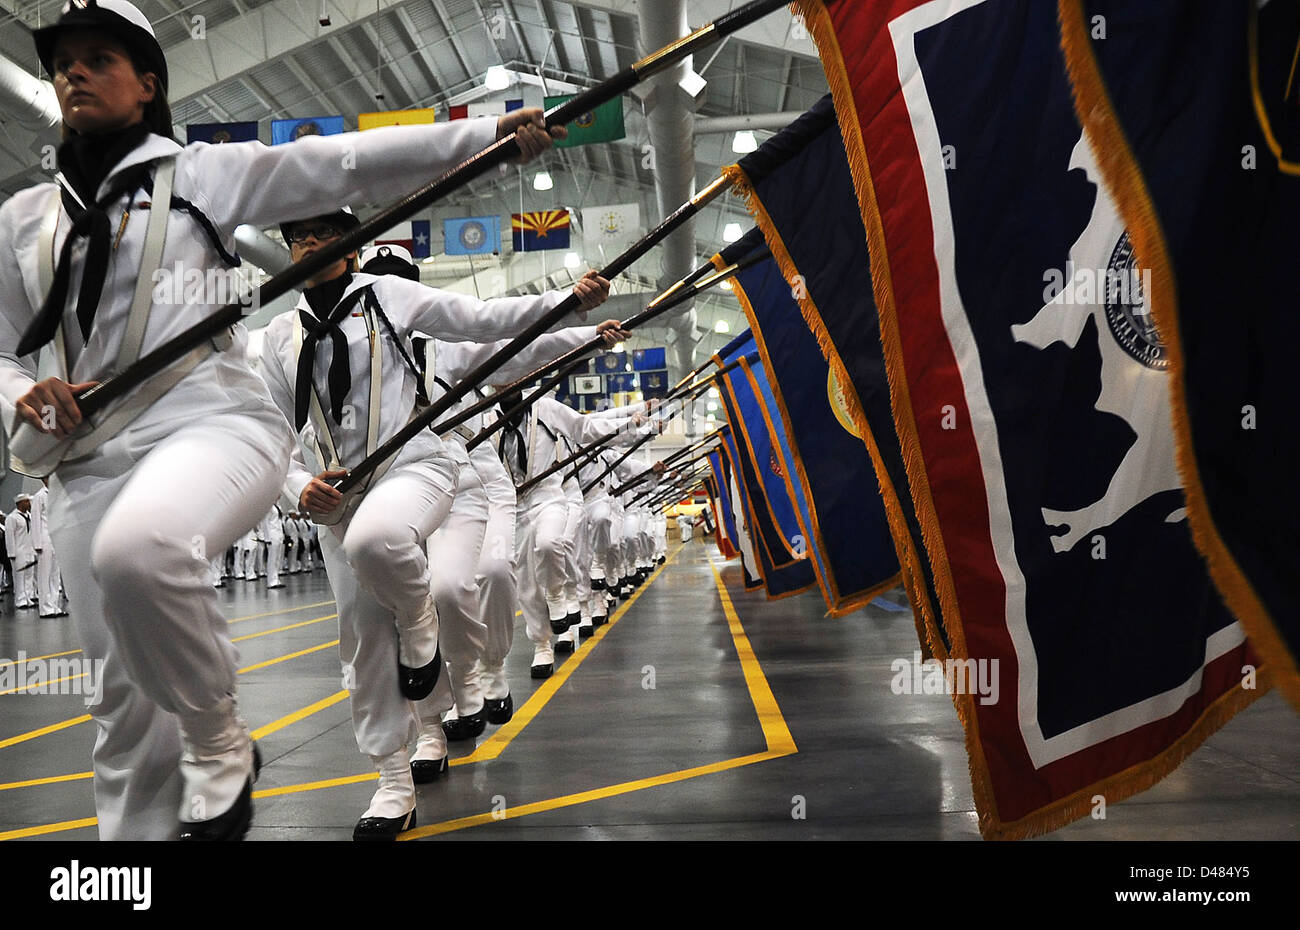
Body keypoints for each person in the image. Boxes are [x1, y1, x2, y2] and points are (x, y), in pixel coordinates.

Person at [0, 0, 565, 841]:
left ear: (148, 84)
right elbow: (5, 350)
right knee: (121, 698)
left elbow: (340, 161)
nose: (74, 72)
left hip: (216, 426)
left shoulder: (203, 177)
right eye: (63, 61)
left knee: (143, 550)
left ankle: (222, 736)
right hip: (96, 460)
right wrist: (18, 394)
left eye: (99, 58)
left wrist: (478, 137)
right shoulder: (21, 222)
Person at [256, 214, 609, 839]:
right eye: (297, 237)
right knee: (363, 639)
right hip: (334, 496)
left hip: (416, 469)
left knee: (420, 562)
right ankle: (393, 782)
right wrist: (293, 487)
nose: (308, 244)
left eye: (322, 233)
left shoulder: (392, 303)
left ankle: (443, 643)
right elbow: (270, 434)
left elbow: (492, 327)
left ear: (353, 248)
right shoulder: (279, 339)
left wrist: (568, 308)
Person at [31, 481, 69, 616]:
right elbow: (35, 521)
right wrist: (37, 544)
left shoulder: (56, 494)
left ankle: (54, 606)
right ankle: (45, 609)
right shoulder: (39, 496)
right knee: (44, 575)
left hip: (55, 537)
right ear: (43, 479)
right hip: (44, 539)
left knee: (55, 575)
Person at [5, 495, 37, 609]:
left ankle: (28, 597)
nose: (29, 504)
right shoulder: (12, 518)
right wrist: (11, 553)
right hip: (18, 551)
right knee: (19, 576)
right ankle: (20, 600)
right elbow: (9, 536)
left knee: (29, 576)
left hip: (29, 550)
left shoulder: (29, 516)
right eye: (27, 501)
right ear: (20, 503)